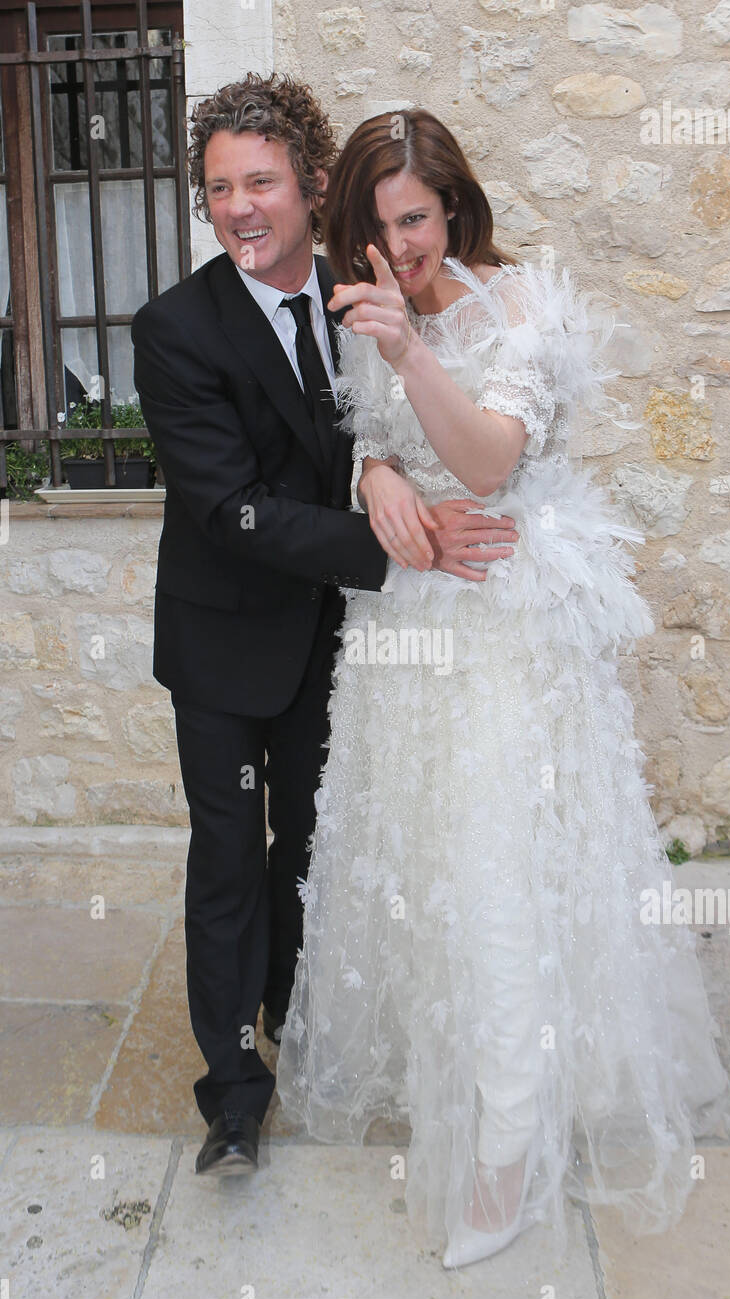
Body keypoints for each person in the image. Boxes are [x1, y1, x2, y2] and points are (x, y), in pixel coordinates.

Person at [276, 107, 730, 1268]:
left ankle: (508, 1143)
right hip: (407, 633)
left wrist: (409, 359)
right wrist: (376, 473)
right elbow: (369, 438)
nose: (403, 243)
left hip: (506, 630)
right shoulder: (368, 317)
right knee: (430, 863)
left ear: (454, 205)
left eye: (418, 218)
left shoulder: (523, 307)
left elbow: (490, 460)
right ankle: (474, 1074)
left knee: (499, 874)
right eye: (380, 225)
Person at [130, 76, 518, 1177]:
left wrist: (393, 467)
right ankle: (234, 1095)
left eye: (259, 182)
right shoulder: (172, 328)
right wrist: (399, 536)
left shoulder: (364, 294)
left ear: (307, 185)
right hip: (218, 644)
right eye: (217, 190)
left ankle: (295, 1015)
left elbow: (380, 427)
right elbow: (230, 506)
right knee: (227, 857)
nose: (239, 208)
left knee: (309, 845)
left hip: (334, 646)